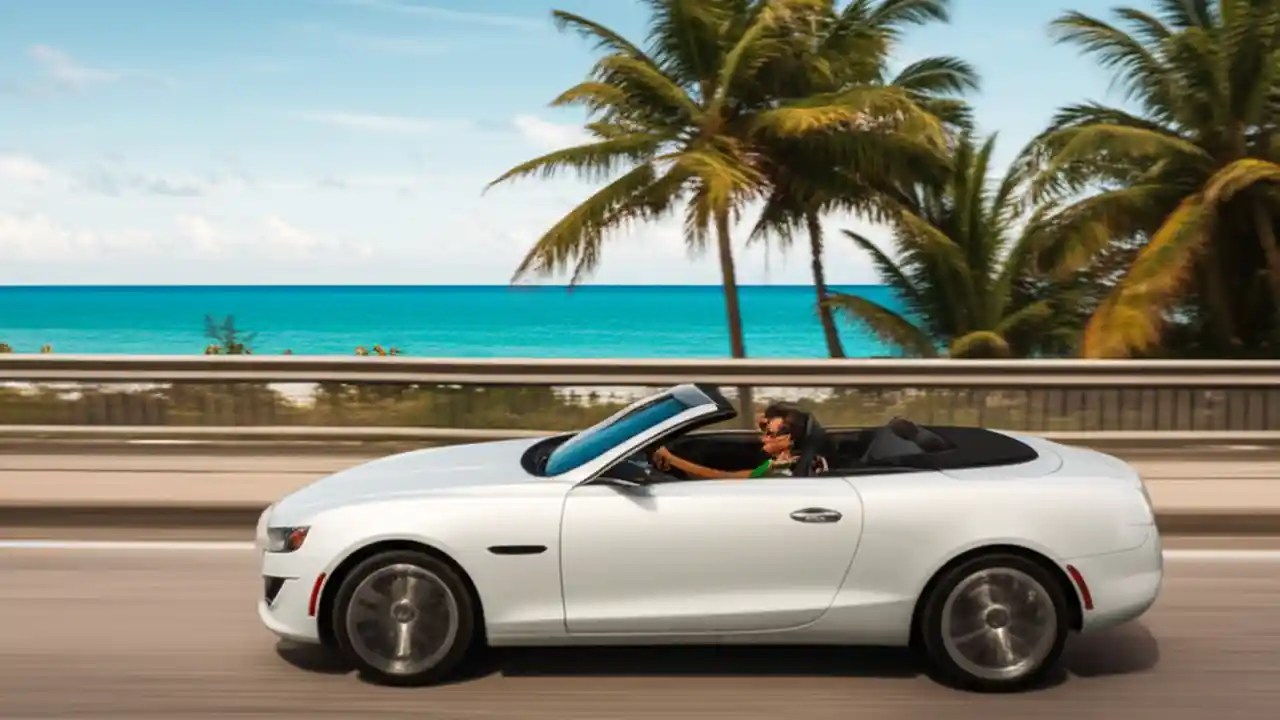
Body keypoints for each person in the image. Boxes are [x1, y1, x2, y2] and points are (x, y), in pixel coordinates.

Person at [652, 403, 828, 479]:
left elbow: (720, 477)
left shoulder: (777, 470)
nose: (763, 438)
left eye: (770, 434)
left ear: (789, 440)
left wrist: (671, 458)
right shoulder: (777, 465)